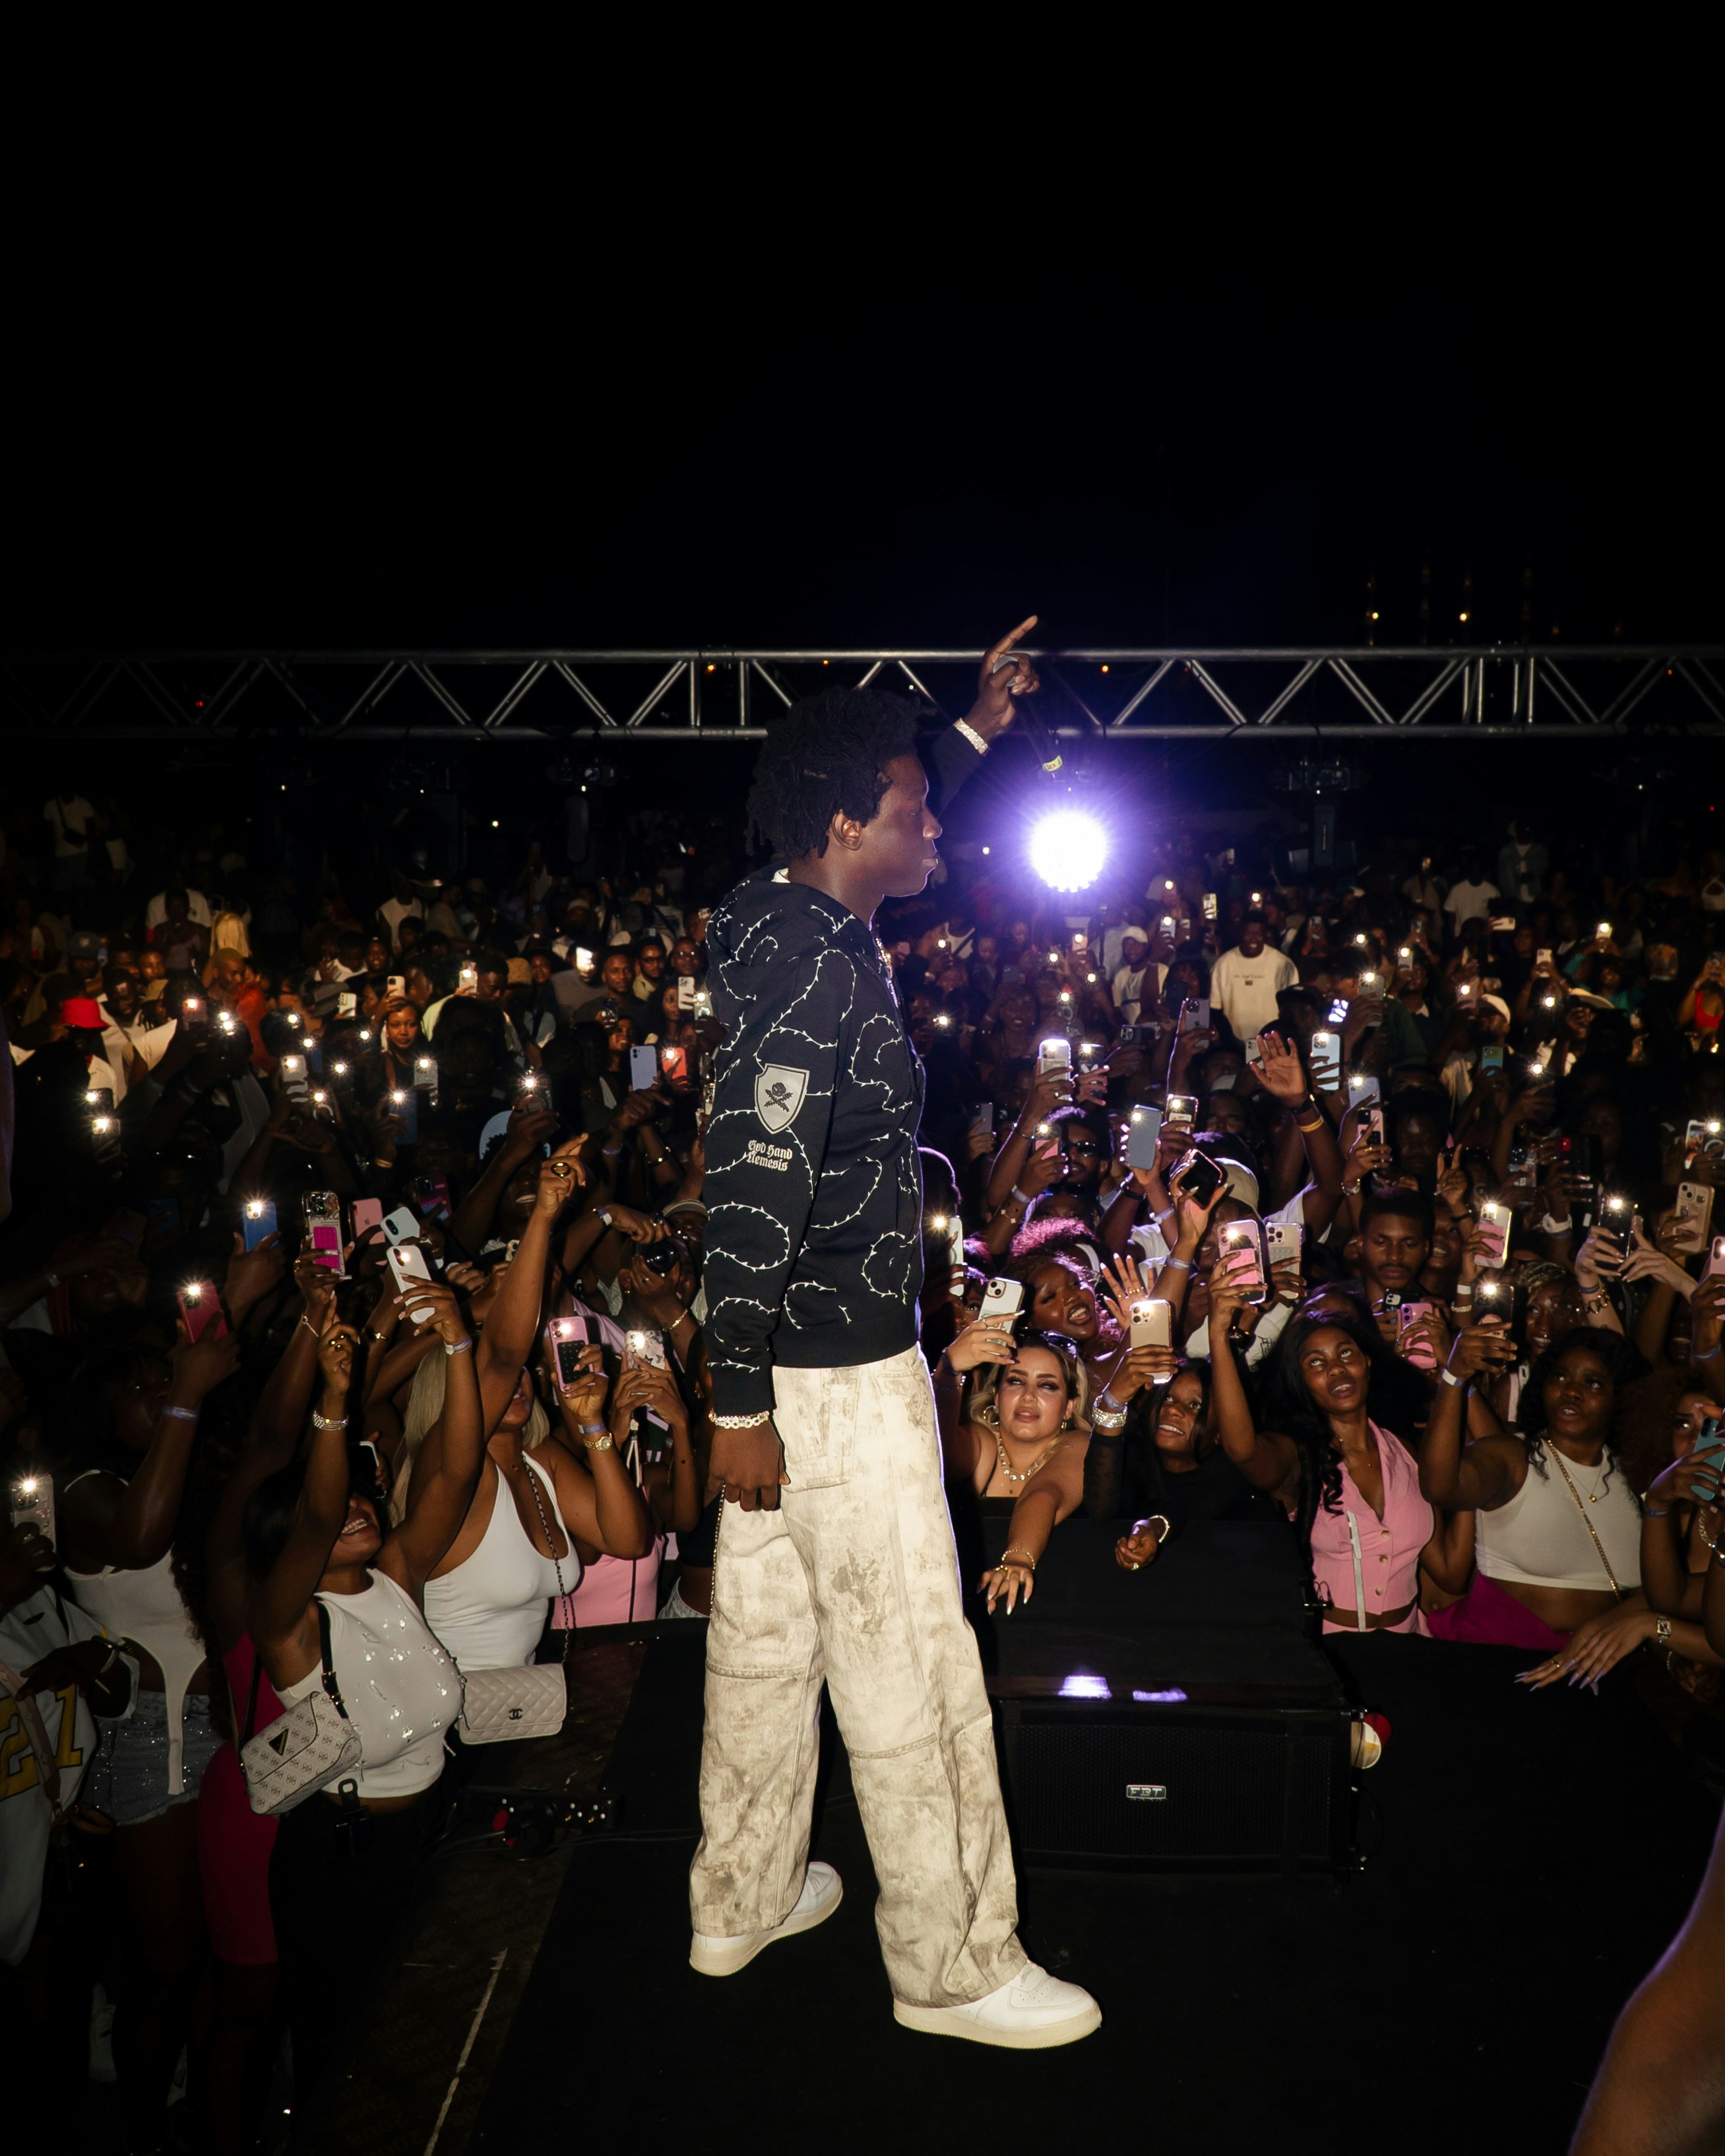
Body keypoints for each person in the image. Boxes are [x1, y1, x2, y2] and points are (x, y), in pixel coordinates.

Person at [691, 629, 1102, 2047]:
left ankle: (737, 1893)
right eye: (916, 807)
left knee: (763, 1640)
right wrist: (733, 1394)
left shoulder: (772, 914)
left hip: (786, 1378)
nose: (937, 825)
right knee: (911, 1670)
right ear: (847, 826)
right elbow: (750, 1192)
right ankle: (951, 1960)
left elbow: (856, 796)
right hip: (834, 1385)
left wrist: (963, 732)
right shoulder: (816, 974)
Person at [246, 1285, 477, 2118]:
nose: (356, 1507)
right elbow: (313, 1511)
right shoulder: (292, 1621)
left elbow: (455, 1469)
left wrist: (457, 1347)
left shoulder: (398, 1576)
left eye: (362, 1497)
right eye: (339, 1506)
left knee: (429, 2038)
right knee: (343, 2052)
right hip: (337, 1861)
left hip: (430, 1838)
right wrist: (336, 1406)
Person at [1211, 1276, 1471, 1632]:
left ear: (1367, 1362)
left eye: (1345, 1353)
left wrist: (1469, 1478)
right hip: (1331, 1646)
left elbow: (1450, 1573)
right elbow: (1242, 1451)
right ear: (1302, 1382)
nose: (1335, 1368)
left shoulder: (1405, 1451)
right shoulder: (1296, 1456)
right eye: (1316, 1363)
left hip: (1410, 1643)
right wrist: (1219, 1339)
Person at [1420, 1325, 1650, 1650]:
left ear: (1621, 1397)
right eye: (1559, 1377)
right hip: (1499, 1664)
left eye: (1592, 1383)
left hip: (1604, 1670)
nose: (1571, 1390)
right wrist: (1453, 1378)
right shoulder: (1514, 1456)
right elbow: (1441, 1488)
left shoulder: (1643, 1476)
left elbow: (1664, 1591)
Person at [933, 1320, 1093, 1607]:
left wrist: (1019, 1559)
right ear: (997, 1395)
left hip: (1056, 1610)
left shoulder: (1081, 1444)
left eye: (1047, 1386)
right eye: (1016, 1381)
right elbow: (938, 1453)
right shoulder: (982, 1441)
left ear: (1069, 1405)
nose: (1028, 1396)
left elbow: (1044, 1494)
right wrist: (949, 1371)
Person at [1208, 910, 1296, 1044]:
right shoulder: (1223, 964)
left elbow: (1291, 1008)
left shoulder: (1283, 964)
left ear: (1266, 935)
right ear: (1240, 933)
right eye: (1249, 933)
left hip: (1272, 1043)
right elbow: (1215, 1007)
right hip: (1234, 1044)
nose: (1253, 938)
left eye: (1259, 933)